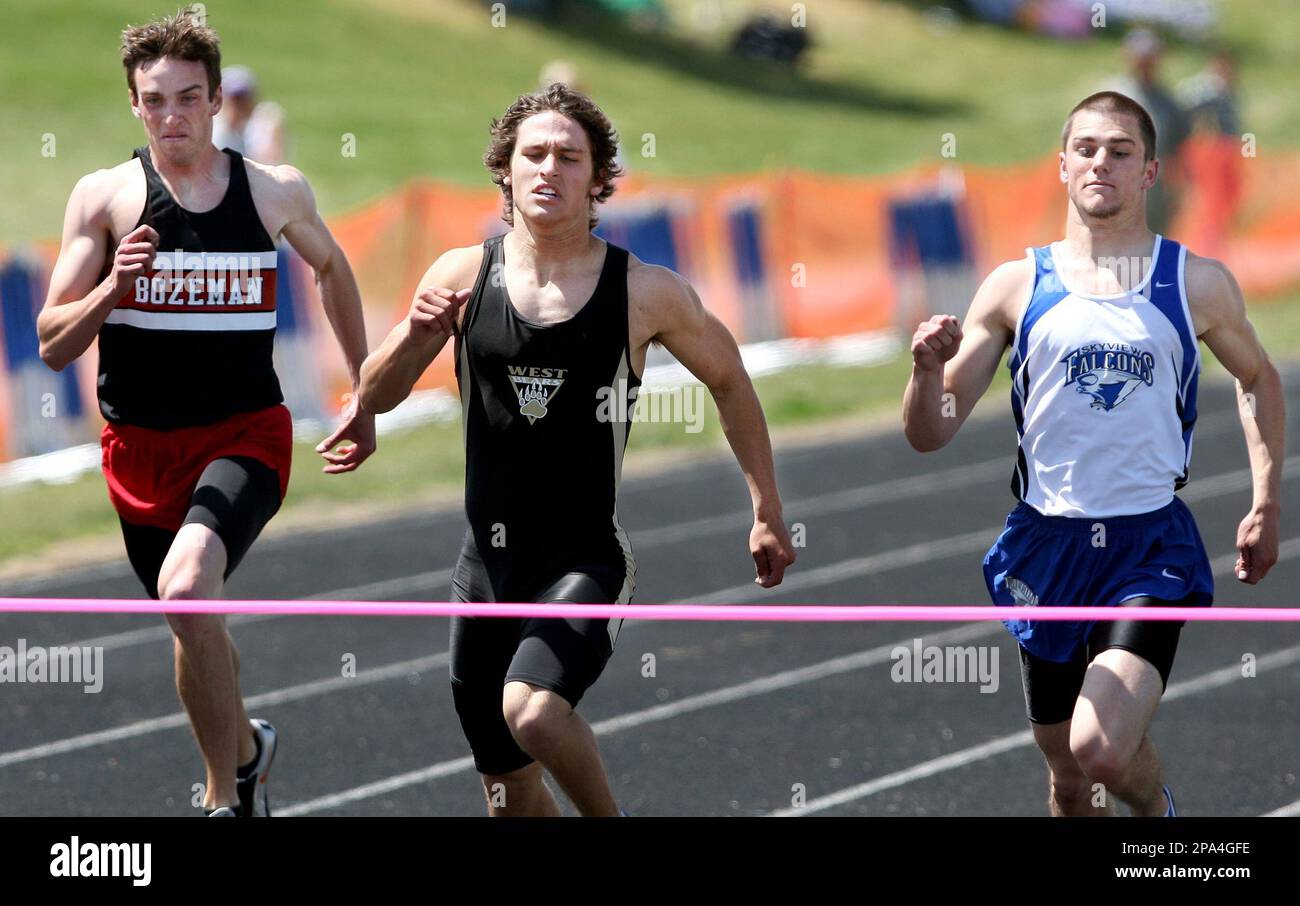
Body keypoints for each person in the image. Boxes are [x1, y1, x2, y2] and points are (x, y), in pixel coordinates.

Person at [359, 83, 795, 816]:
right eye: (533, 154)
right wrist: (415, 333)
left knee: (532, 711)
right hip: (485, 569)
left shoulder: (645, 292)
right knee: (509, 795)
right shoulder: (460, 277)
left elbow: (729, 380)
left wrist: (766, 509)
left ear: (597, 179)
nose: (548, 170)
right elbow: (374, 396)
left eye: (568, 156)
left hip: (584, 559)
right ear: (505, 169)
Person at [902, 91, 1284, 816]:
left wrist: (1265, 501)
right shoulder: (1016, 287)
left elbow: (1259, 378)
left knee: (1100, 749)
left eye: (1120, 150)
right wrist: (924, 372)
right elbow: (931, 431)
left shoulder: (1193, 282)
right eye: (1086, 148)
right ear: (1062, 166)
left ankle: (1160, 820)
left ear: (1150, 172)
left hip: (1149, 549)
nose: (1101, 162)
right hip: (1045, 547)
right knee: (1069, 779)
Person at [36, 6, 376, 816]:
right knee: (189, 620)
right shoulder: (107, 197)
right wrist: (114, 288)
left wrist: (364, 391)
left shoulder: (271, 191)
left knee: (187, 589)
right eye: (154, 100)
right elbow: (52, 339)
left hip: (244, 435)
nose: (171, 116)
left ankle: (224, 802)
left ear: (218, 101)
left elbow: (333, 271)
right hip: (139, 450)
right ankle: (252, 754)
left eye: (188, 98)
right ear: (133, 104)